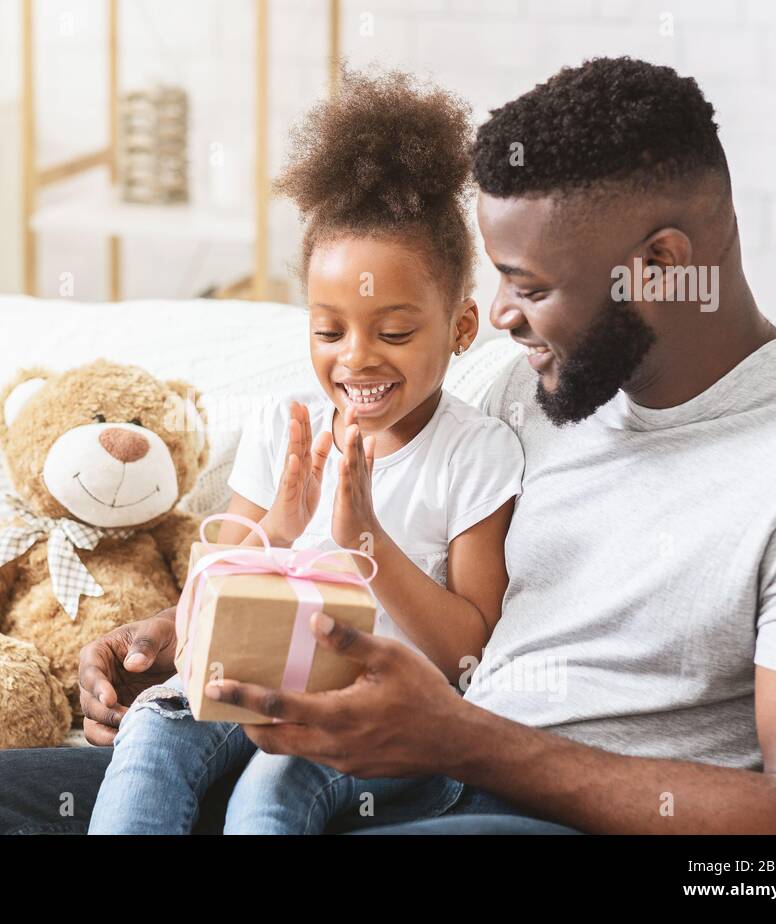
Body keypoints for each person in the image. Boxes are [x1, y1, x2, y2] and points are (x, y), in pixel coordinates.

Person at [0, 57, 776, 835]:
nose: (495, 316)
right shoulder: (514, 386)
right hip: (373, 757)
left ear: (659, 267)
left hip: (529, 805)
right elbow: (318, 551)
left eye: (529, 287)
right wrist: (175, 635)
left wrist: (457, 738)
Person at [88, 70, 525, 834]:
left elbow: (468, 655)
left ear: (459, 330)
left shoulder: (476, 454)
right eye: (329, 331)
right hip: (256, 681)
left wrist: (365, 541)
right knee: (154, 733)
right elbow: (207, 607)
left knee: (274, 785)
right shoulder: (281, 428)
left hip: (379, 716)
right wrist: (278, 533)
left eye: (393, 332)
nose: (357, 359)